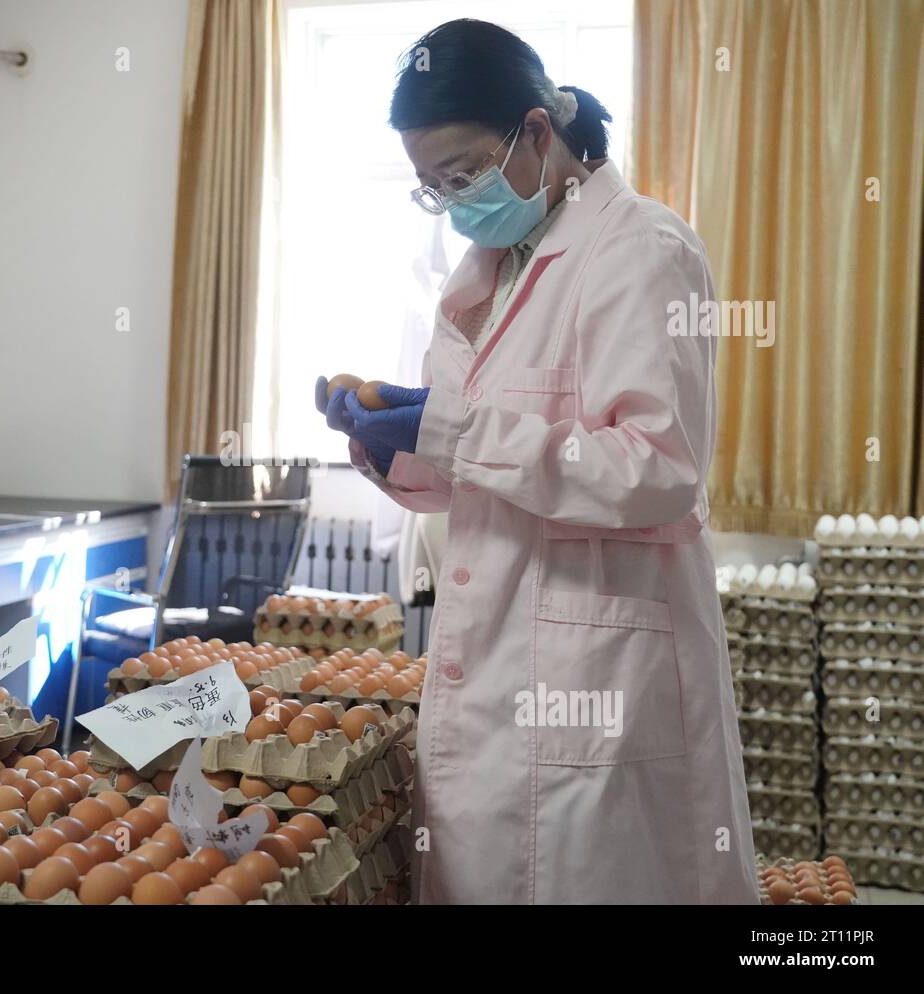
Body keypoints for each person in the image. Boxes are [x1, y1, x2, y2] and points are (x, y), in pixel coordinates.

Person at [315, 19, 757, 904]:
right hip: (499, 657)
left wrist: (452, 430)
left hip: (596, 673)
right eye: (433, 187)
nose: (456, 199)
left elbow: (656, 467)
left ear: (538, 133)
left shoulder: (642, 249)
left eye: (466, 173)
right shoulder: (487, 272)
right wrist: (386, 439)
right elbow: (465, 472)